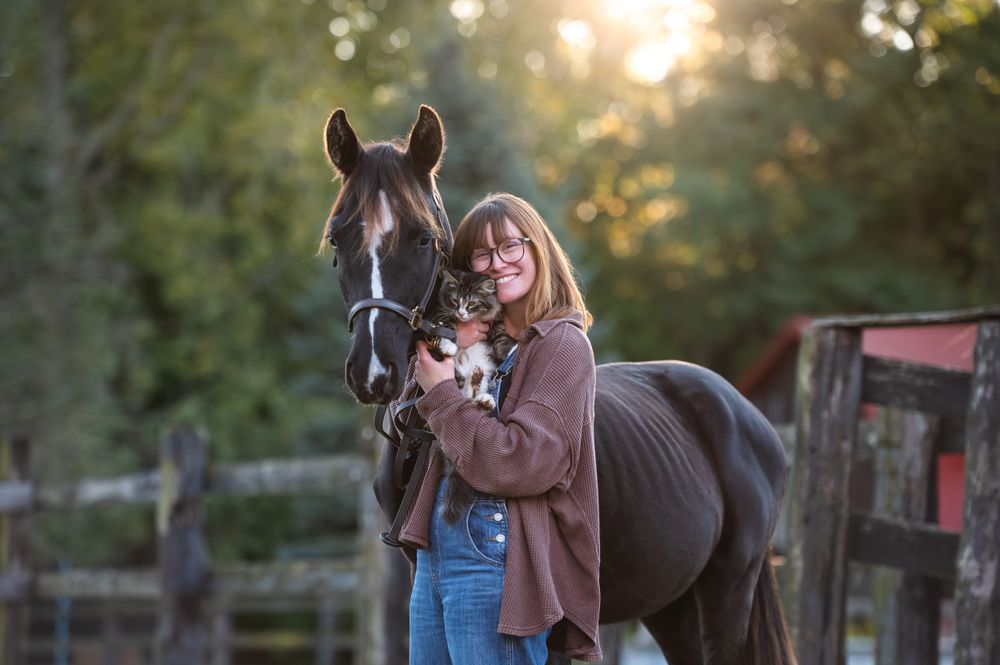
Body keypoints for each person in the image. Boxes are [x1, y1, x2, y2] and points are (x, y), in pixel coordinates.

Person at [391, 193, 602, 664]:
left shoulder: (561, 346)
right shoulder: (472, 338)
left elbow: (524, 462)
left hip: (497, 555)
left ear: (537, 249)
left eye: (510, 246)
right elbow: (405, 423)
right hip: (436, 551)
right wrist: (446, 350)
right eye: (481, 255)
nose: (497, 263)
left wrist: (443, 393)